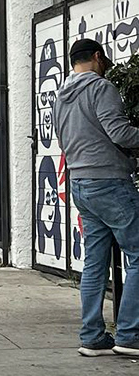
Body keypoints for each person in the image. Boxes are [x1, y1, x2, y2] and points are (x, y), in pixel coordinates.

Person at [53, 38, 139, 357]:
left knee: (94, 261)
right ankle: (129, 335)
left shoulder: (60, 96)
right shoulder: (101, 88)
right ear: (98, 58)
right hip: (110, 181)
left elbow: (62, 139)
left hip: (81, 182)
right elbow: (119, 133)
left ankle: (92, 336)